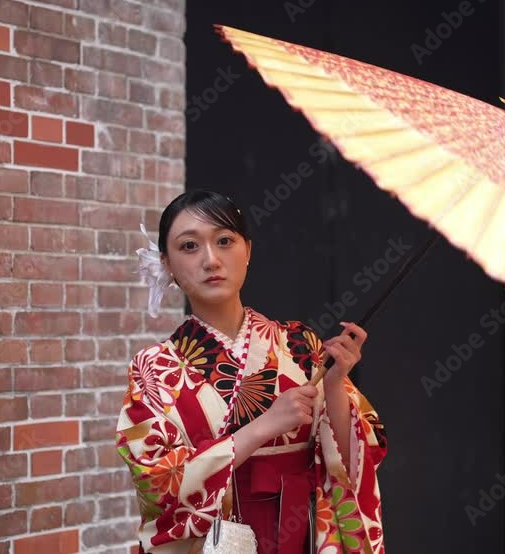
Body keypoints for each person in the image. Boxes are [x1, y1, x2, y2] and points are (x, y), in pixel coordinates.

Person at [116, 190, 387, 554]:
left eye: (225, 241)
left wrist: (336, 385)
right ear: (167, 264)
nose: (211, 260)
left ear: (248, 250)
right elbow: (155, 480)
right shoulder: (153, 369)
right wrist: (262, 427)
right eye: (190, 246)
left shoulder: (300, 344)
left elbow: (359, 453)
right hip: (217, 541)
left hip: (301, 534)